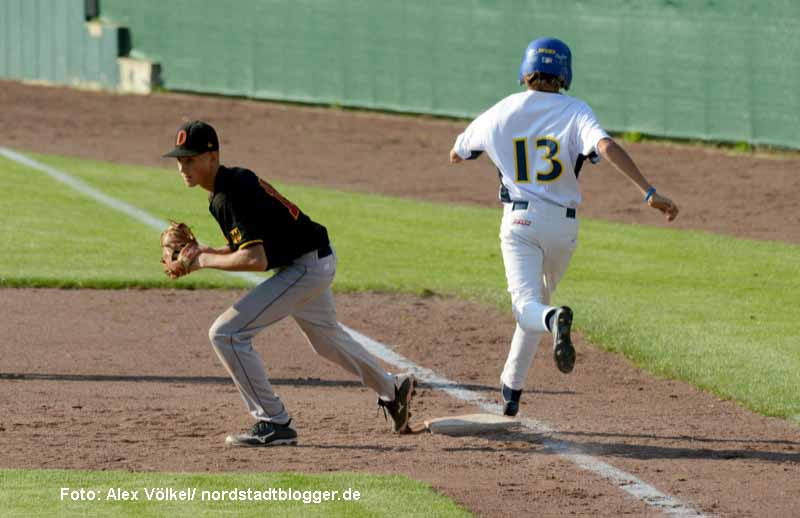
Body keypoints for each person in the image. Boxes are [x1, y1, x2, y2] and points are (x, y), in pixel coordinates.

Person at [448, 37, 679, 417]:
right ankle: (511, 391)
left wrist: (466, 151)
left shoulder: (499, 111)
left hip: (520, 222)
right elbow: (604, 147)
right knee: (535, 303)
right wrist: (648, 191)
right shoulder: (575, 110)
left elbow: (458, 151)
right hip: (563, 230)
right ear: (564, 74)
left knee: (529, 309)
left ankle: (555, 319)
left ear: (526, 72)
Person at [162, 120, 416, 446]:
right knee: (326, 340)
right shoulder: (229, 184)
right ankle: (393, 389)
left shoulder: (228, 195)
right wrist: (209, 252)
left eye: (190, 159)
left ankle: (273, 421)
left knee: (226, 333)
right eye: (180, 161)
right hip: (314, 259)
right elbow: (249, 245)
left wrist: (203, 261)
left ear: (212, 157)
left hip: (305, 268)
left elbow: (256, 260)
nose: (183, 167)